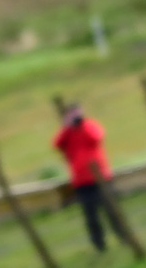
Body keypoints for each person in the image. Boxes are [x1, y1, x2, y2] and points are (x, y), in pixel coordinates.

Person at [52, 103, 126, 252]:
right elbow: (57, 144)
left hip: (100, 177)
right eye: (70, 114)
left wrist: (81, 124)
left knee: (112, 210)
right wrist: (67, 127)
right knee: (91, 216)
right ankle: (99, 245)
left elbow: (96, 137)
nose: (74, 117)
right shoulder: (67, 133)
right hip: (81, 181)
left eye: (76, 113)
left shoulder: (90, 125)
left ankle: (124, 237)